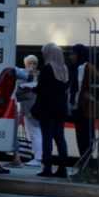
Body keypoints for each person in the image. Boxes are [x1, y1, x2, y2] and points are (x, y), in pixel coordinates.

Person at [32, 42, 69, 178]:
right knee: (60, 138)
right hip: (61, 109)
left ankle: (47, 167)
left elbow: (41, 89)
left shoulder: (47, 68)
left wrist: (29, 89)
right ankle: (63, 168)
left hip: (47, 108)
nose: (43, 56)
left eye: (44, 53)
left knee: (47, 138)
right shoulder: (64, 69)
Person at [68, 43, 99, 159]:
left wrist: (92, 96)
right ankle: (84, 162)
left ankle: (87, 164)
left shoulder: (87, 67)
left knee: (85, 140)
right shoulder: (76, 68)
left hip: (86, 109)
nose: (71, 57)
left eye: (74, 54)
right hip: (78, 109)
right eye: (70, 54)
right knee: (80, 139)